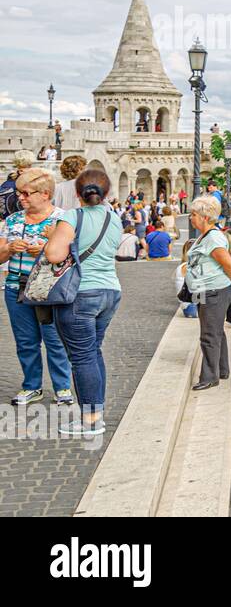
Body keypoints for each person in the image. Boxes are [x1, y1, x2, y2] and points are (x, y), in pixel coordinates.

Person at [40, 170, 122, 436]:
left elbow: (54, 255)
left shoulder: (72, 217)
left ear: (77, 193)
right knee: (93, 352)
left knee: (82, 356)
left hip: (80, 293)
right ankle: (96, 412)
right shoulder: (114, 218)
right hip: (110, 291)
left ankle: (90, 420)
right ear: (106, 193)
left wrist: (54, 234)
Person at [0, 168, 73, 407]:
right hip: (15, 286)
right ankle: (32, 386)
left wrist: (47, 246)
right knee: (25, 341)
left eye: (25, 193)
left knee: (54, 339)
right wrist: (10, 248)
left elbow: (72, 256)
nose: (20, 197)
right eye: (20, 193)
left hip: (48, 289)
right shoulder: (12, 221)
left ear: (45, 194)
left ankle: (62, 387)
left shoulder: (63, 219)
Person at [184, 196, 231, 391]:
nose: (190, 218)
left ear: (205, 217)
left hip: (214, 291)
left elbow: (230, 265)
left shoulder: (214, 238)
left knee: (208, 334)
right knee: (216, 330)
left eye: (193, 214)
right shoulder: (206, 236)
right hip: (205, 289)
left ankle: (209, 376)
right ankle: (222, 369)